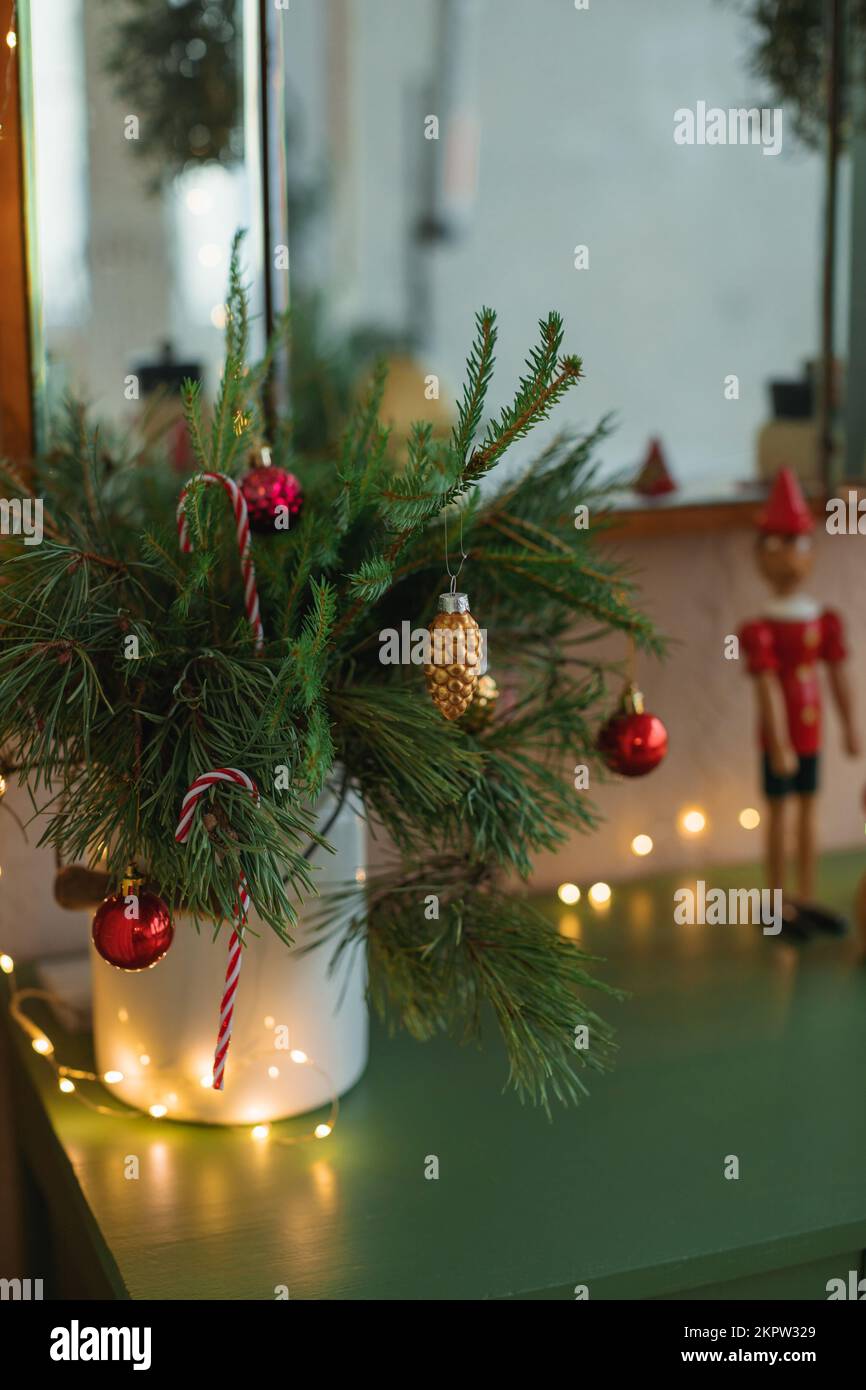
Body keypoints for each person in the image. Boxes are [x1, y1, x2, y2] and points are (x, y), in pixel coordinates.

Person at [740, 468, 860, 938]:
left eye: (798, 544)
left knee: (810, 806)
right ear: (761, 554)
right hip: (779, 739)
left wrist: (851, 726)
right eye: (777, 545)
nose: (789, 558)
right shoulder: (762, 629)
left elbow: (839, 675)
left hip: (812, 733)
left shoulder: (821, 620)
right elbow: (766, 686)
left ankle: (806, 897)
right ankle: (775, 901)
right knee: (778, 811)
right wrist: (780, 743)